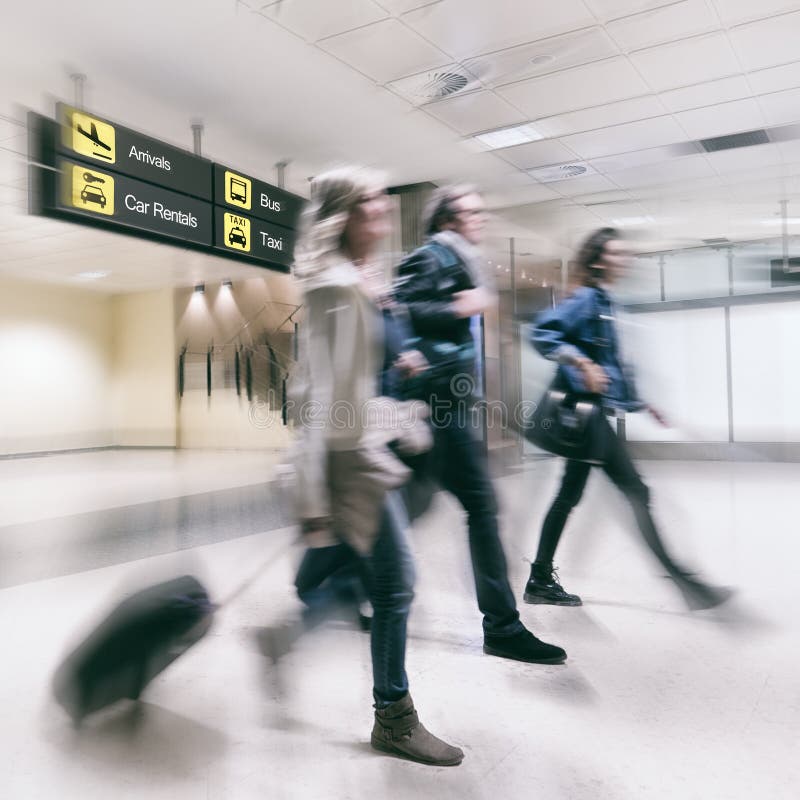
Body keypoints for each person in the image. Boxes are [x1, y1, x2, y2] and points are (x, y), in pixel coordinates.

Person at [288, 166, 463, 766]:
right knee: (396, 585)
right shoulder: (337, 292)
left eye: (386, 198)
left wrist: (397, 408)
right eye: (370, 202)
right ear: (342, 217)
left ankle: (284, 637)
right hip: (346, 462)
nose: (385, 208)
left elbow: (349, 394)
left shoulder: (360, 282)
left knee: (381, 583)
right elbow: (322, 405)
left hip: (358, 452)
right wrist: (312, 502)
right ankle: (393, 719)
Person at [395, 185, 566, 664]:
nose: (482, 219)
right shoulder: (429, 257)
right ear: (447, 219)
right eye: (472, 212)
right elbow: (404, 310)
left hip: (450, 404)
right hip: (435, 405)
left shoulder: (463, 261)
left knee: (409, 507)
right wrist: (458, 306)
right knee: (480, 505)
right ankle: (503, 626)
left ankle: (335, 583)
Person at [523, 227, 732, 611]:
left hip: (590, 416)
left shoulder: (603, 300)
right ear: (599, 260)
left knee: (568, 496)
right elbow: (542, 333)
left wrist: (639, 402)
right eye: (617, 254)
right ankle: (686, 584)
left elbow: (611, 365)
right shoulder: (587, 298)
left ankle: (538, 578)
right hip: (587, 418)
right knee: (636, 491)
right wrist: (580, 361)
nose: (625, 260)